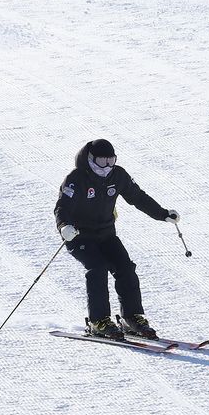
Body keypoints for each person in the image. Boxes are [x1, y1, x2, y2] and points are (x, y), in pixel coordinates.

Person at [54, 139, 180, 340]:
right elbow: (62, 207)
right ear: (91, 159)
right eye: (103, 161)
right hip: (78, 236)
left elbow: (138, 197)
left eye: (111, 160)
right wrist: (64, 227)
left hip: (106, 234)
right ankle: (98, 321)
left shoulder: (118, 175)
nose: (107, 166)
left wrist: (162, 214)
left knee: (125, 268)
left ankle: (131, 318)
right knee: (97, 267)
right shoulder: (76, 178)